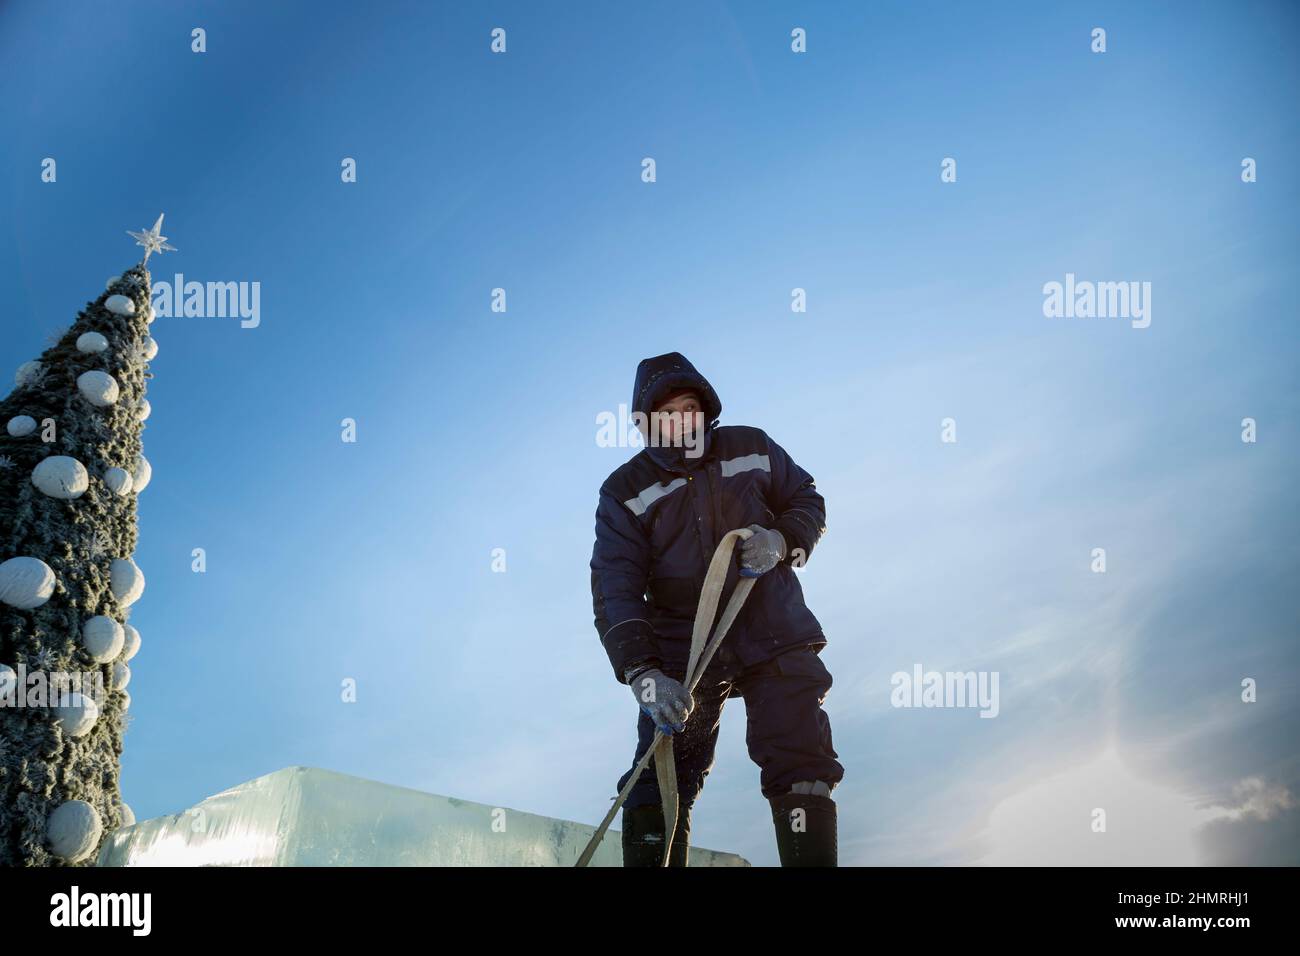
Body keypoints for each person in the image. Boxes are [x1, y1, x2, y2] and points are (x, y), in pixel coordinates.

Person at [589, 351, 844, 867]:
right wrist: (643, 673)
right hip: (684, 648)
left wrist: (782, 538)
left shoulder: (751, 446)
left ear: (705, 408)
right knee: (660, 777)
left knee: (800, 755)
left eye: (689, 407)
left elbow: (806, 499)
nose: (681, 420)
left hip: (773, 627)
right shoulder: (624, 491)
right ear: (647, 423)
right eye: (667, 413)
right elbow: (615, 587)